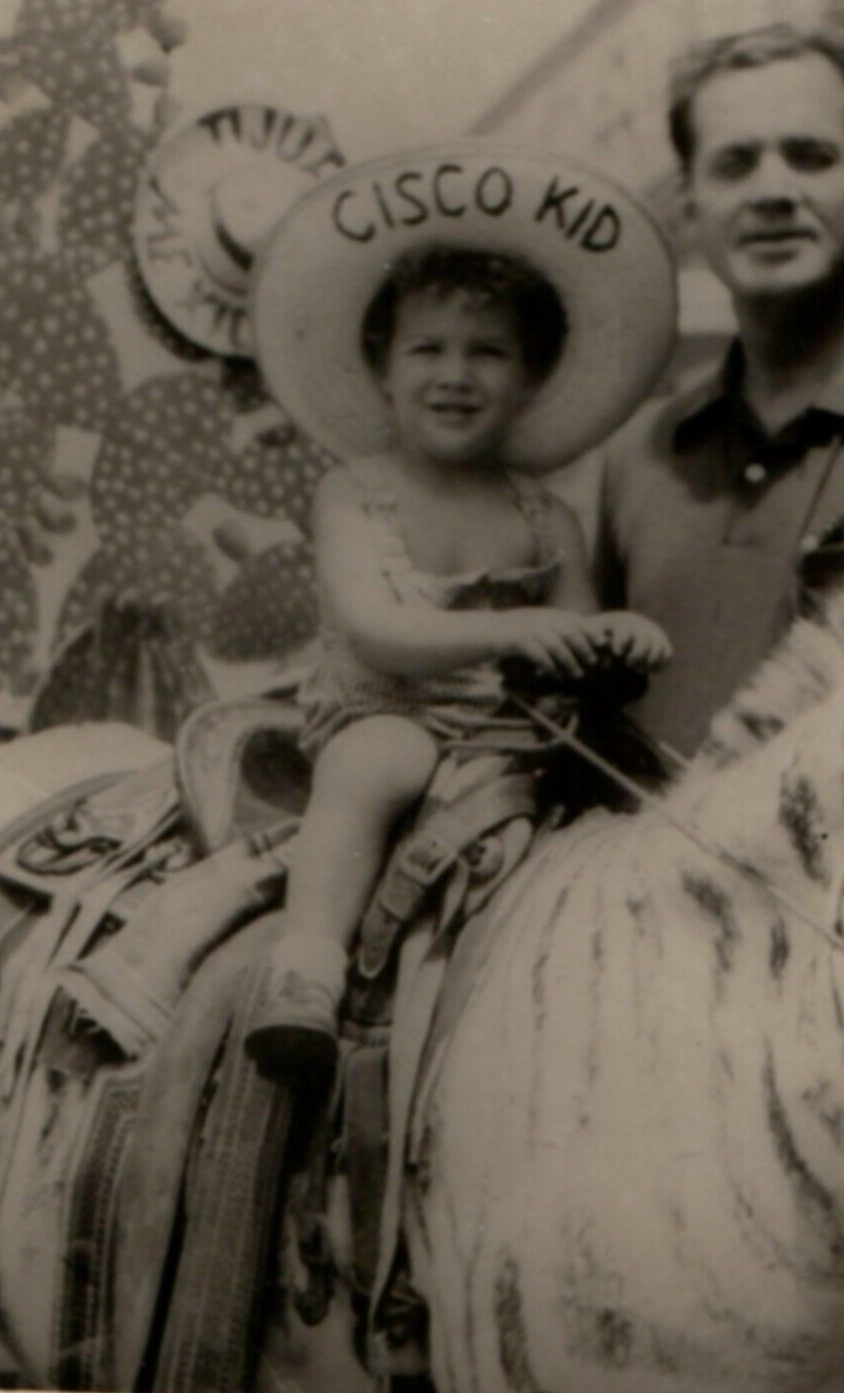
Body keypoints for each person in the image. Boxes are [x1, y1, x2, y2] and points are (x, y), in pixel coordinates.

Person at [246, 146, 680, 1086]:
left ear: (530, 377)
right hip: (387, 711)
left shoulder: (545, 513)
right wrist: (510, 630)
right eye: (428, 349)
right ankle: (307, 963)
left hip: (510, 739)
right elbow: (377, 628)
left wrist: (615, 640)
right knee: (376, 764)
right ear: (382, 366)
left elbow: (574, 631)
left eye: (489, 352)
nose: (456, 374)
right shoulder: (358, 493)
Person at [597, 21, 844, 757]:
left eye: (810, 157)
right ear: (688, 205)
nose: (773, 192)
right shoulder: (635, 454)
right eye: (735, 164)